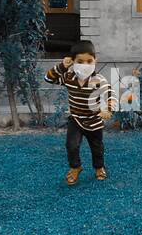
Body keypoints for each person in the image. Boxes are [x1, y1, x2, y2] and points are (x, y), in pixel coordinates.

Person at [45, 41, 117, 185]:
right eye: (80, 61)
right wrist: (61, 67)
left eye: (89, 61)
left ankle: (99, 167)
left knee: (97, 147)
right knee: (71, 145)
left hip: (94, 121)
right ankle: (75, 167)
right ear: (73, 61)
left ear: (95, 60)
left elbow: (111, 95)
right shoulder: (69, 77)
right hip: (76, 119)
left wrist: (108, 109)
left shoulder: (99, 80)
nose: (85, 64)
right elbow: (49, 78)